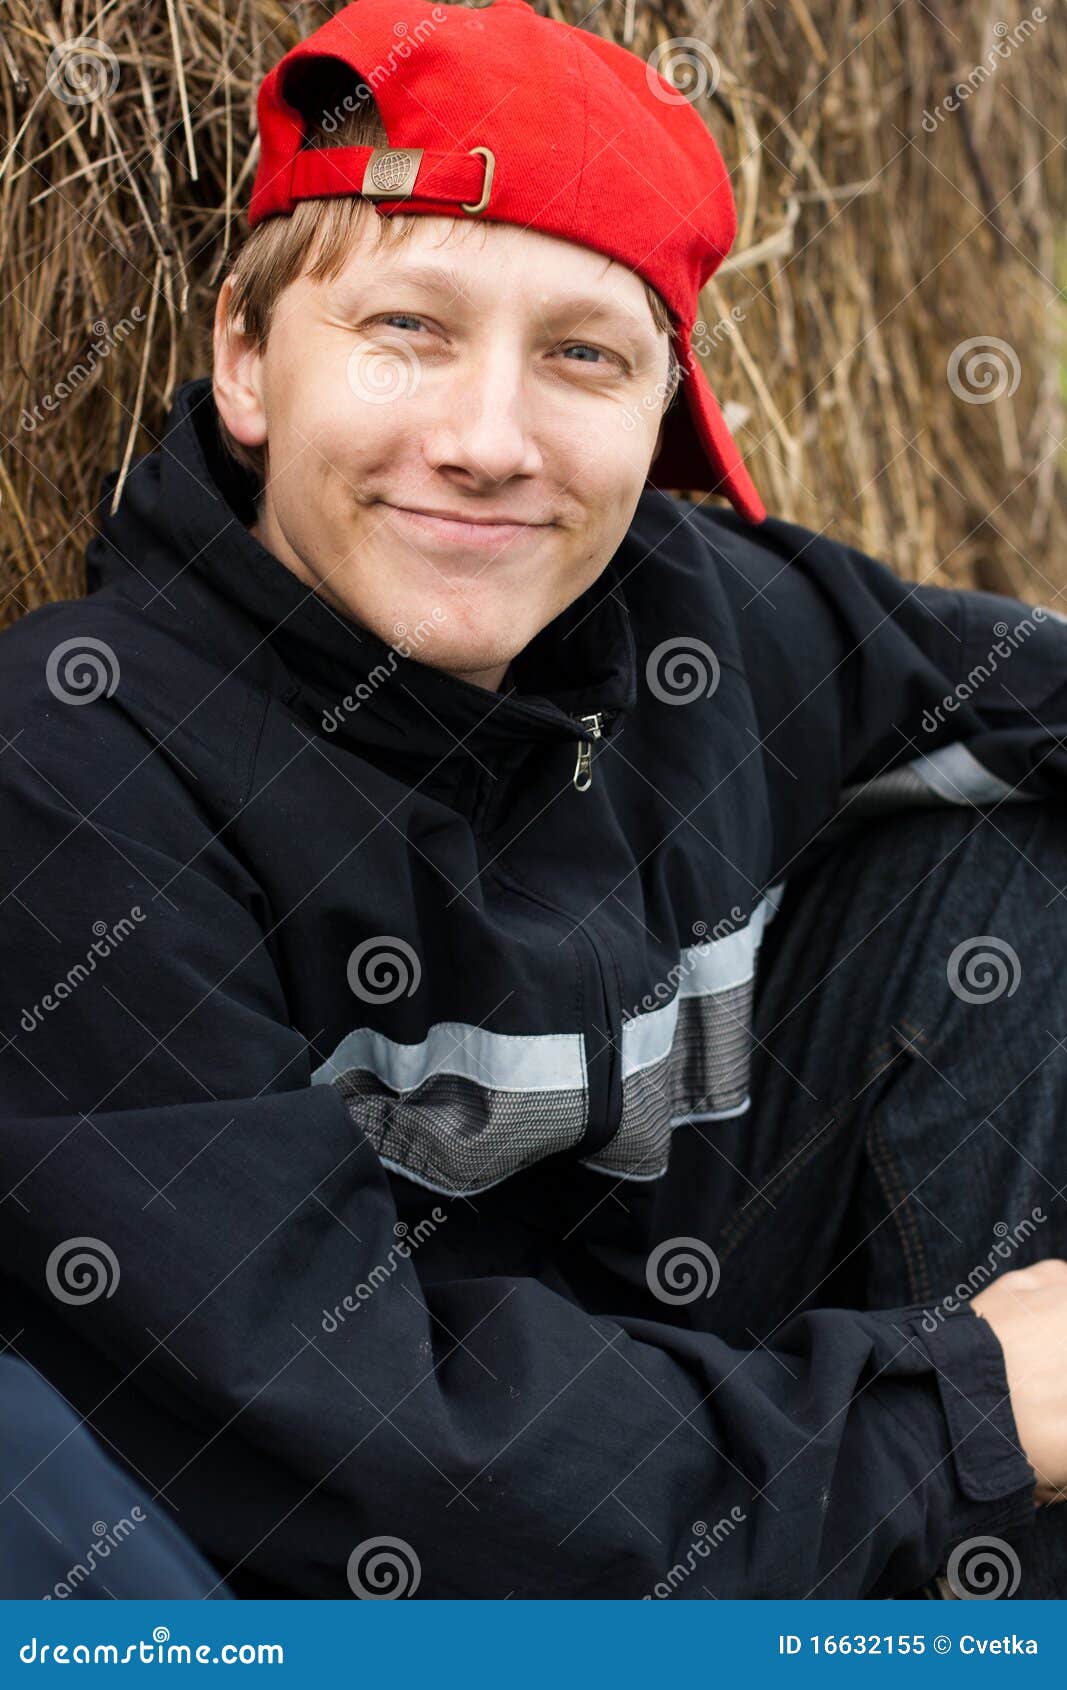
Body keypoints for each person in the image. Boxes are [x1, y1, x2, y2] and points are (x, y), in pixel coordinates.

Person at [1, 0, 1066, 1601]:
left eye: (581, 354)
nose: (487, 441)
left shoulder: (697, 622)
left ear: (661, 413)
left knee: (1005, 874)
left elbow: (1032, 694)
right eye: (409, 327)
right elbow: (372, 1466)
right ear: (244, 357)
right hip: (354, 1573)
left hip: (723, 1440)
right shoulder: (75, 766)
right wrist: (972, 1408)